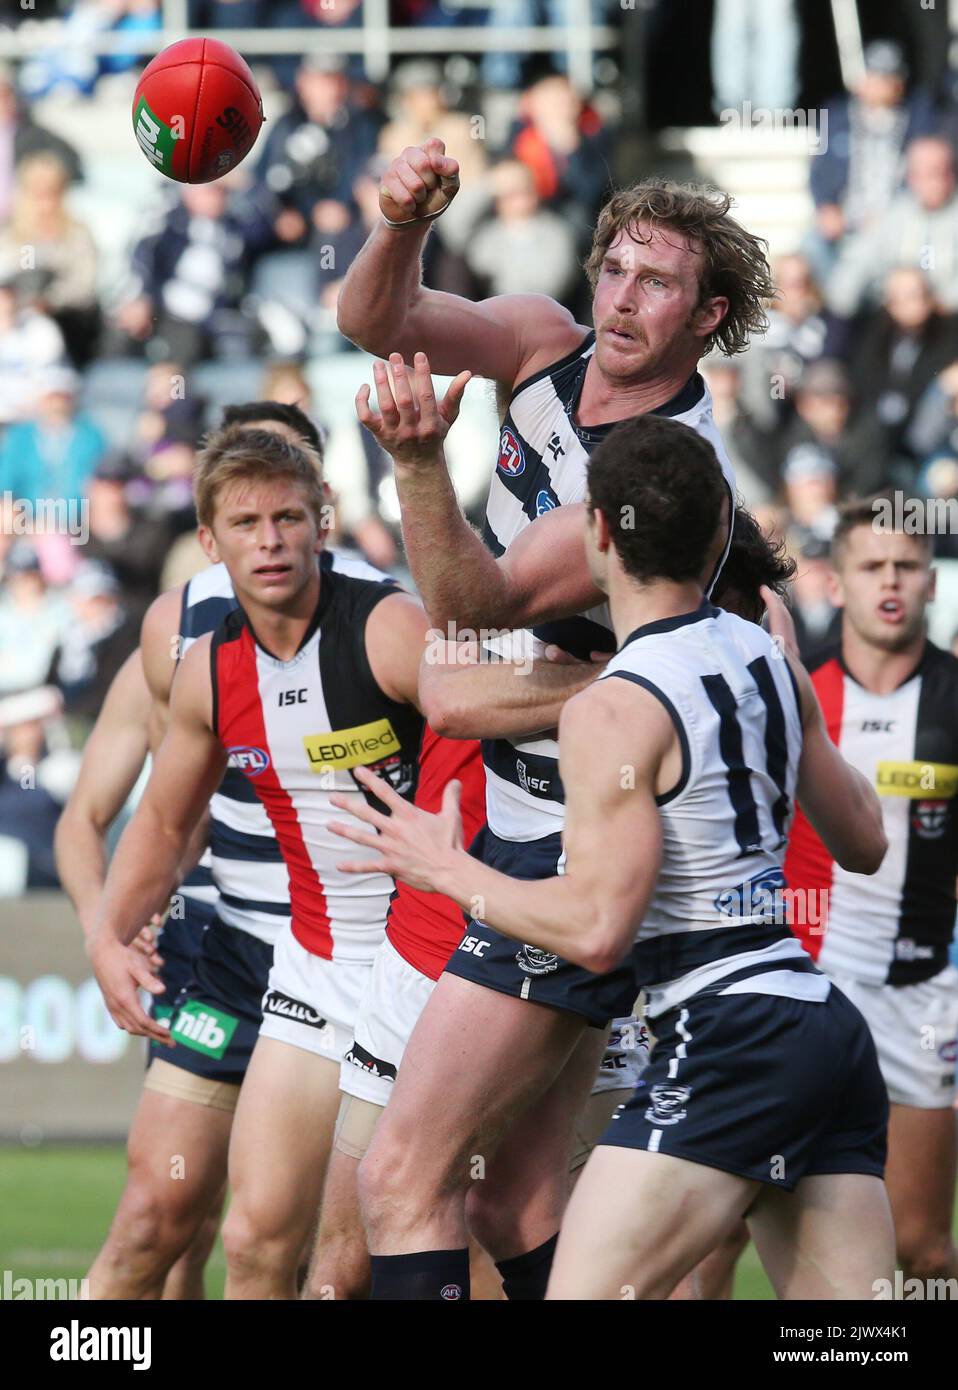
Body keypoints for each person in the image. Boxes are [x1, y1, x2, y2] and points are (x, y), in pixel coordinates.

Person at [334, 149, 771, 1298]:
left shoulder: (664, 472)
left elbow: (469, 613)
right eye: (613, 269)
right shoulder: (540, 340)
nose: (621, 300)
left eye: (657, 283)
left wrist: (420, 467)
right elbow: (376, 321)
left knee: (399, 1178)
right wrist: (396, 224)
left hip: (586, 837)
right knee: (511, 1194)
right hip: (533, 809)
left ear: (708, 316)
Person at [333, 414, 893, 1300]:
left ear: (595, 533)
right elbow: (866, 839)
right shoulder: (767, 657)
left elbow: (596, 932)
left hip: (723, 1034)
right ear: (719, 536)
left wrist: (450, 872)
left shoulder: (610, 707)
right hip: (822, 1029)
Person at [88, 419, 597, 1301]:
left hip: (434, 962)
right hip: (314, 964)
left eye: (289, 518)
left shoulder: (386, 626)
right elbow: (166, 827)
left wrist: (620, 681)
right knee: (252, 1243)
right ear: (210, 544)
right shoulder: (208, 669)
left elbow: (477, 708)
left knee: (416, 1239)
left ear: (324, 521)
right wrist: (109, 936)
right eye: (246, 526)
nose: (271, 541)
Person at [785, 498, 958, 1285]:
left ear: (930, 585)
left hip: (919, 996)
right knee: (714, 1228)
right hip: (801, 992)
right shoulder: (791, 694)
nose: (891, 581)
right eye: (871, 566)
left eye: (908, 566)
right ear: (836, 583)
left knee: (919, 1248)